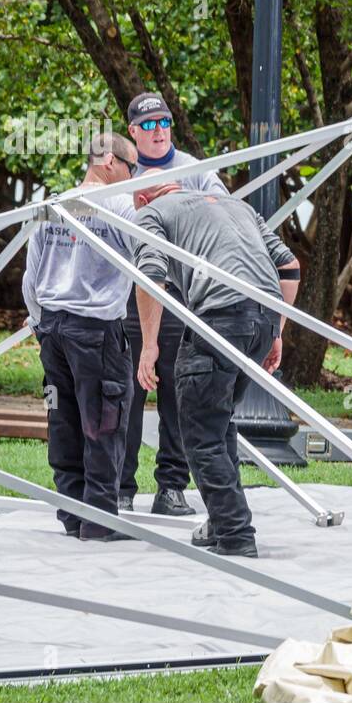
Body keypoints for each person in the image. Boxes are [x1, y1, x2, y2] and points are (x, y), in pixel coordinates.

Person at [130, 170, 300, 558]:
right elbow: (290, 268)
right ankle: (222, 522)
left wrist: (149, 346)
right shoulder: (238, 207)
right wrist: (276, 330)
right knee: (218, 421)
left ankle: (236, 534)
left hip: (219, 317)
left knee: (201, 433)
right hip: (260, 318)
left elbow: (151, 276)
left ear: (140, 199)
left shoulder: (152, 212)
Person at [21, 132, 138, 541]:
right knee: (103, 424)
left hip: (52, 331)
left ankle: (71, 514)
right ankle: (100, 521)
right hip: (95, 332)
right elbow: (152, 261)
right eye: (131, 166)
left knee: (64, 421)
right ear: (109, 160)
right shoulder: (123, 206)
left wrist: (40, 324)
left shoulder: (52, 206)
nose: (133, 175)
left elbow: (29, 279)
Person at [119, 92, 229, 516]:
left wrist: (183, 197)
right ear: (132, 131)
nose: (158, 131)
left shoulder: (194, 169)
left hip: (184, 296)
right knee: (126, 396)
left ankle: (171, 488)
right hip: (134, 294)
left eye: (163, 122)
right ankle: (121, 487)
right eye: (147, 125)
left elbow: (225, 208)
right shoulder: (123, 173)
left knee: (177, 397)